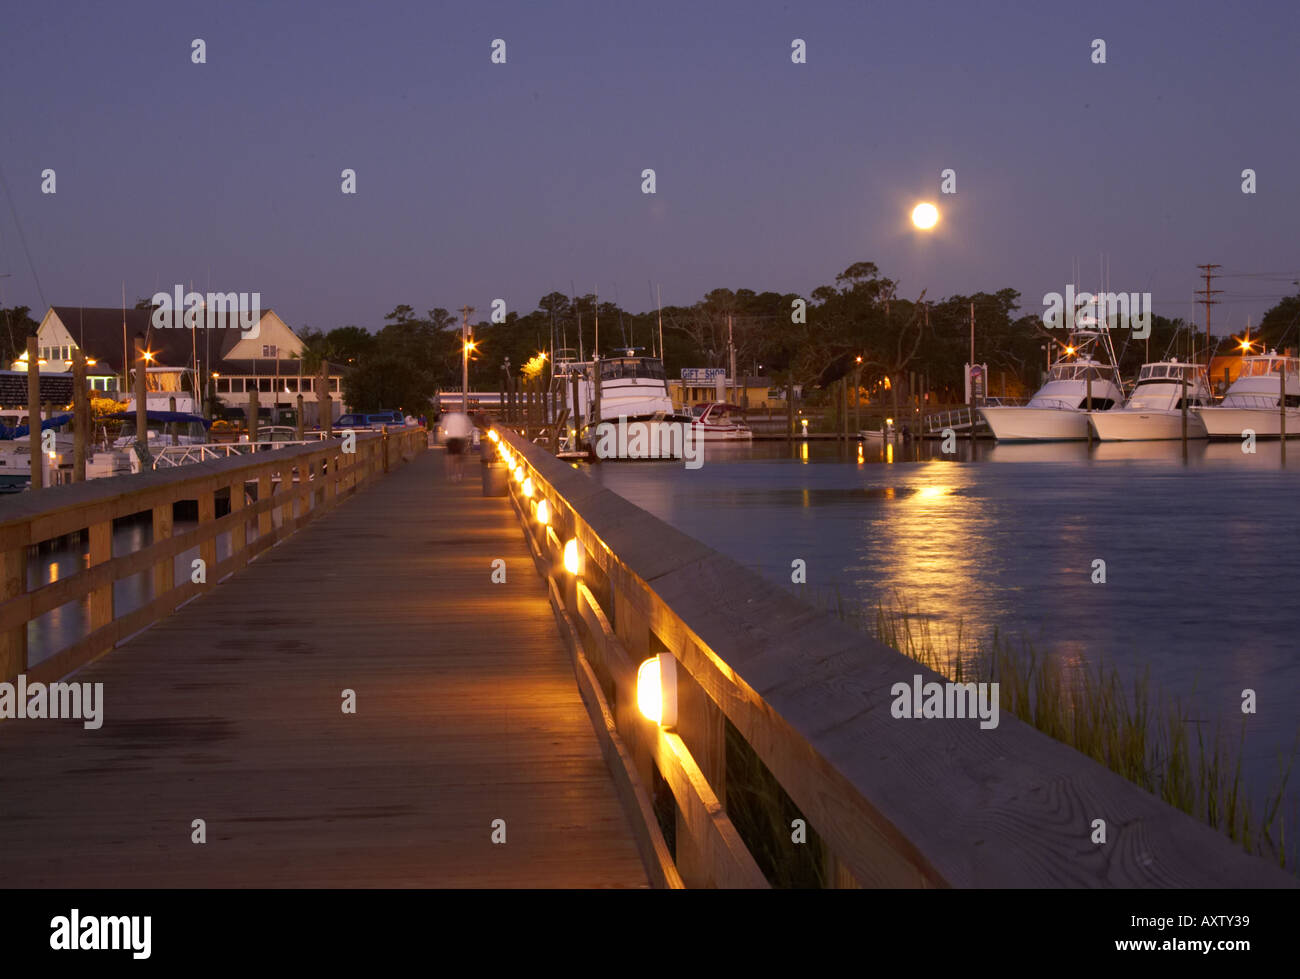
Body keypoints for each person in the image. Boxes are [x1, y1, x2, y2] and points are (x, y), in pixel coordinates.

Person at [440, 410, 475, 482]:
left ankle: (452, 475)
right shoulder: (463, 417)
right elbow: (469, 427)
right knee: (459, 457)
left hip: (451, 438)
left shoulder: (447, 417)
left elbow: (443, 427)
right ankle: (458, 474)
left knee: (451, 457)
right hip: (460, 438)